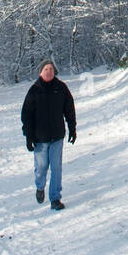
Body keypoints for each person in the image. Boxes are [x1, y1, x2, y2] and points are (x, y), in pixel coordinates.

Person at [21, 58, 77, 211]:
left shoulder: (61, 88)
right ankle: (40, 187)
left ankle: (55, 198)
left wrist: (72, 129)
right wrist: (29, 136)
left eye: (51, 69)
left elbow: (69, 110)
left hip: (57, 136)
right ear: (40, 72)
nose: (49, 72)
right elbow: (26, 115)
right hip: (40, 138)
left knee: (56, 168)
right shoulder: (34, 90)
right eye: (46, 69)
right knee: (41, 168)